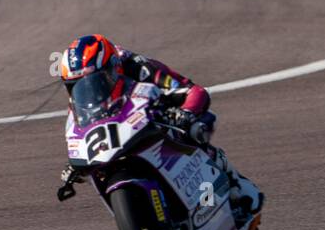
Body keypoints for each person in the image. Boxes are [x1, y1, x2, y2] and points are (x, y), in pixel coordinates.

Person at [57, 34, 262, 215]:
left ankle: (232, 181)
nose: (89, 90)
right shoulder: (79, 101)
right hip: (121, 131)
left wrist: (186, 113)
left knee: (192, 130)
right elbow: (80, 131)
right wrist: (74, 165)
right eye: (76, 86)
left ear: (113, 68)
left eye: (96, 81)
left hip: (156, 113)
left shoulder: (138, 66)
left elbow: (194, 92)